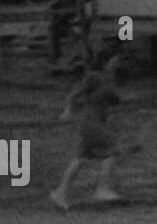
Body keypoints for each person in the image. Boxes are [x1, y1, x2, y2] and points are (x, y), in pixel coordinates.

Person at [49, 45, 126, 209]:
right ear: (106, 61)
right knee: (114, 149)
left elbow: (112, 99)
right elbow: (74, 94)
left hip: (96, 121)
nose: (118, 63)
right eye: (115, 60)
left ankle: (61, 192)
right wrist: (67, 110)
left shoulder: (110, 78)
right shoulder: (94, 77)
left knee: (81, 158)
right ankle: (102, 188)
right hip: (91, 121)